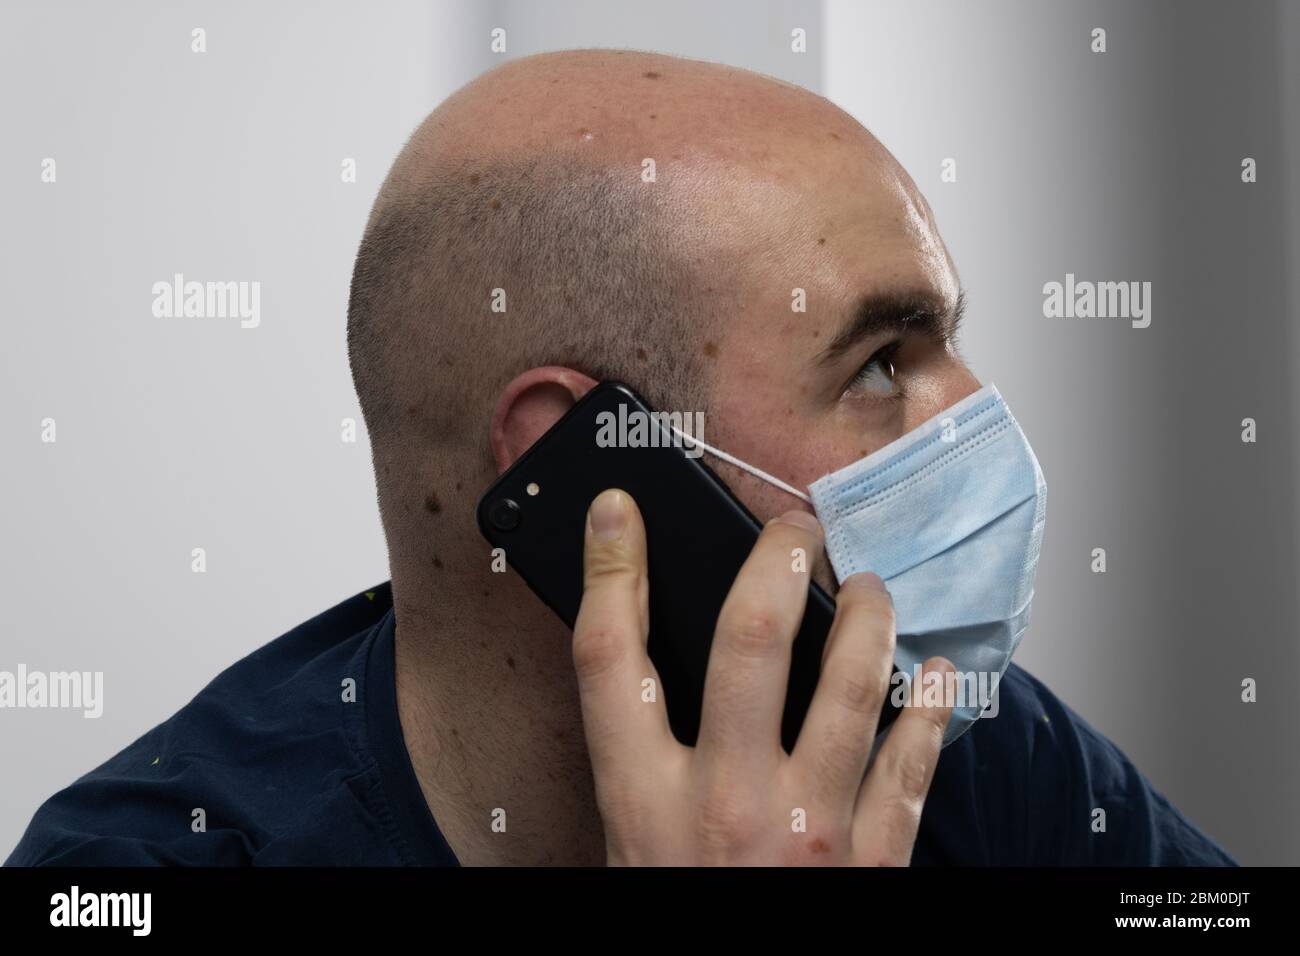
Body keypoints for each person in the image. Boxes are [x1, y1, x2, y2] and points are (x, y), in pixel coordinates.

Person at [7, 49, 1234, 867]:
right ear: (599, 482)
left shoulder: (930, 736)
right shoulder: (135, 872)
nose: (978, 421)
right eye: (879, 362)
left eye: (948, 342)